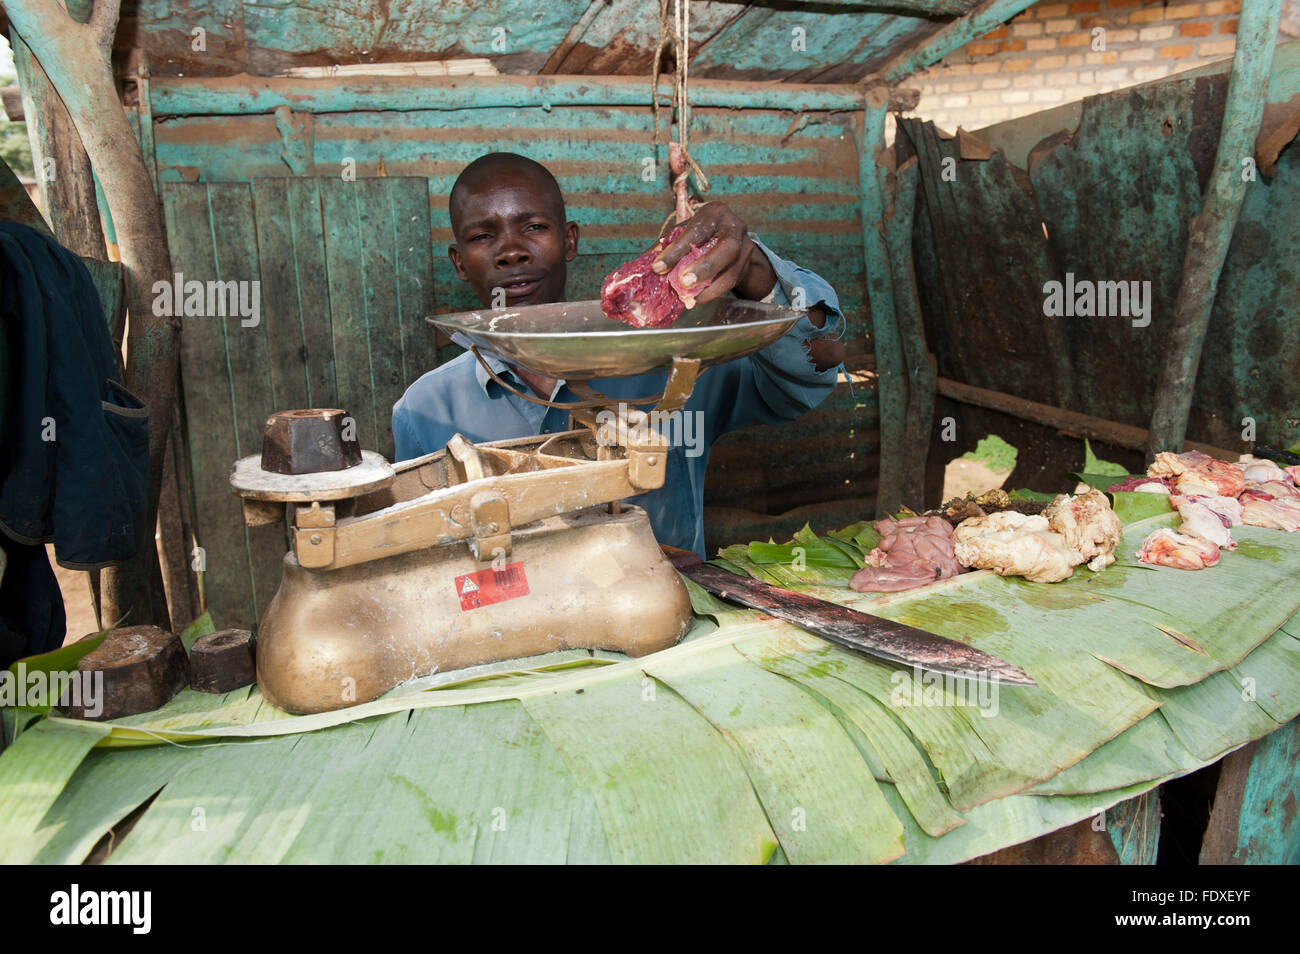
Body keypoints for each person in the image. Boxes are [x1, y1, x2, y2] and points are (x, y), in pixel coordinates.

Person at [392, 152, 845, 557]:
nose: (511, 251)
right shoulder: (424, 410)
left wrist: (759, 274)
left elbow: (811, 375)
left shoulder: (679, 363)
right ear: (457, 261)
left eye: (534, 227)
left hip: (666, 625)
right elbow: (420, 551)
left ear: (570, 241)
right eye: (483, 235)